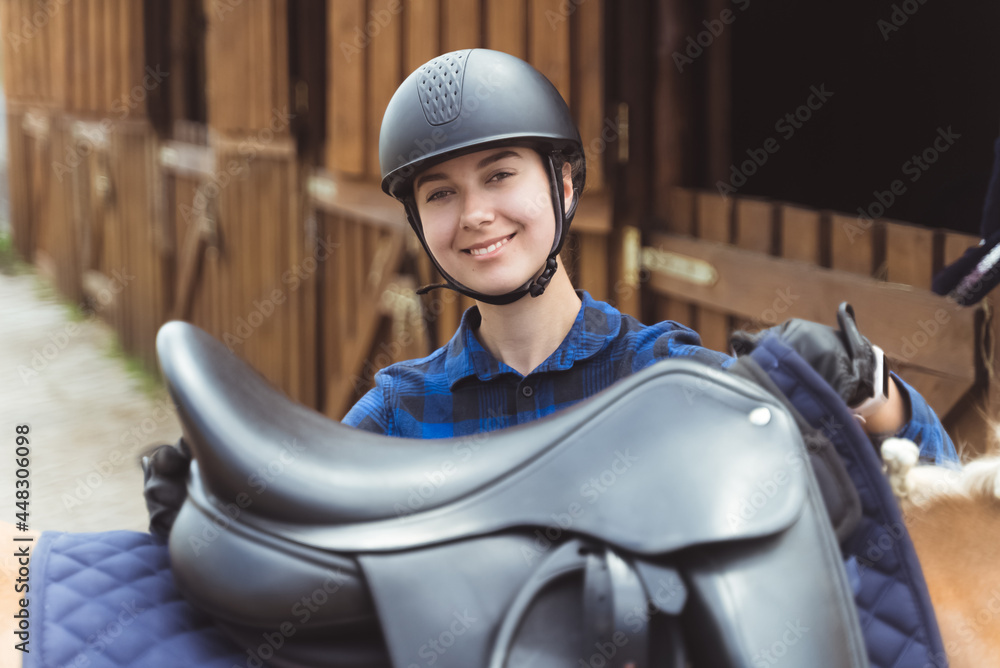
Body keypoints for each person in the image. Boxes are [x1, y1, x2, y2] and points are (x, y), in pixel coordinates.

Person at [339, 47, 958, 465]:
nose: (474, 212)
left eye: (499, 175)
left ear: (564, 184)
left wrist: (871, 391)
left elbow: (934, 481)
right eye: (442, 193)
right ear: (420, 222)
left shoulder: (668, 376)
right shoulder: (397, 416)